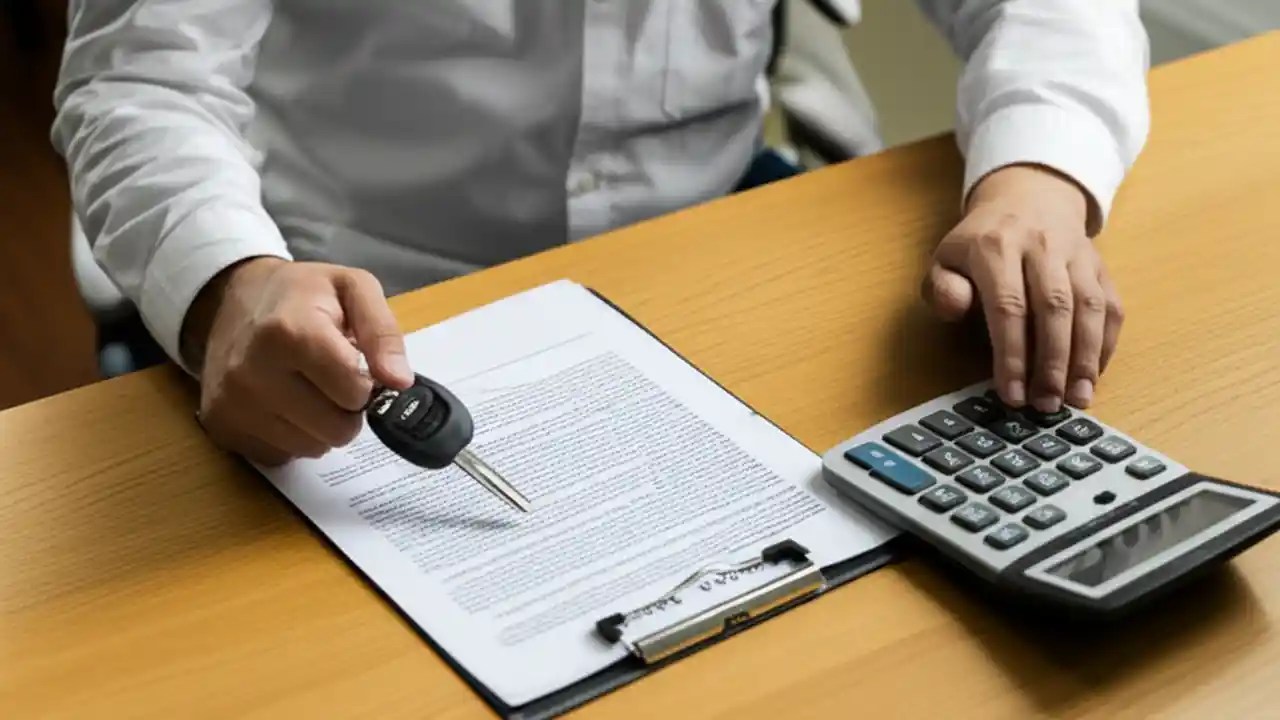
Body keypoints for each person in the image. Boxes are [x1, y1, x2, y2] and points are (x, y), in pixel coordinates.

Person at [52, 1, 1148, 466]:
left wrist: (1034, 185)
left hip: (714, 254)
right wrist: (229, 280)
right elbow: (140, 84)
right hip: (355, 298)